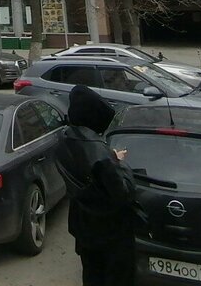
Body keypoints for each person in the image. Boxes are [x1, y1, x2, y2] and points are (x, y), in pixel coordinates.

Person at [57, 85, 139, 286]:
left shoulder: (65, 138)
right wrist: (118, 162)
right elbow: (124, 193)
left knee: (91, 274)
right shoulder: (101, 154)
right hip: (110, 234)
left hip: (83, 227)